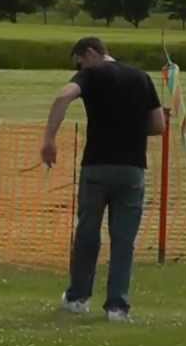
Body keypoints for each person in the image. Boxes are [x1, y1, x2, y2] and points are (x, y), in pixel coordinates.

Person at [40, 37, 164, 322]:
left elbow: (62, 97)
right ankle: (117, 307)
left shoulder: (91, 75)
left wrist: (49, 139)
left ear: (91, 53)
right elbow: (158, 125)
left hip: (96, 166)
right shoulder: (141, 77)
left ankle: (78, 297)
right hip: (132, 169)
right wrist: (129, 130)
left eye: (80, 61)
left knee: (87, 234)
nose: (79, 66)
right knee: (123, 240)